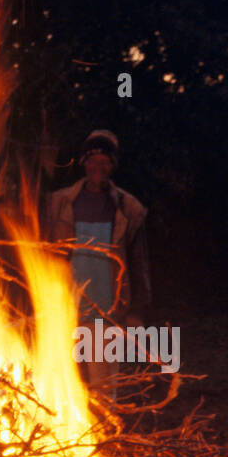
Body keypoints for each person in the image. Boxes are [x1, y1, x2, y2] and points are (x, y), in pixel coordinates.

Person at [47, 130, 151, 391]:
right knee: (58, 381)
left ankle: (104, 431)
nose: (99, 167)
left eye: (105, 162)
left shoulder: (128, 208)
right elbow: (43, 254)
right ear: (83, 162)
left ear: (113, 166)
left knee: (103, 385)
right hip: (65, 308)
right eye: (93, 160)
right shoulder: (59, 203)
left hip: (105, 313)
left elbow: (139, 264)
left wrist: (137, 310)